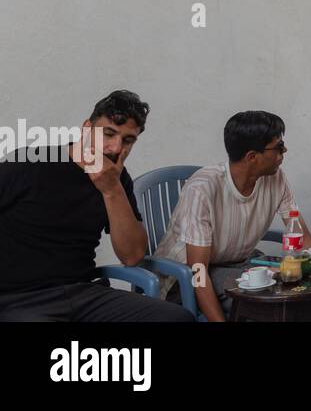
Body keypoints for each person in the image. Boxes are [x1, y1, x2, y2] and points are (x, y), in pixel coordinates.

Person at [0, 90, 193, 322]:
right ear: (86, 128)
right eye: (108, 133)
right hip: (21, 298)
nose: (114, 148)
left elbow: (132, 256)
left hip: (84, 292)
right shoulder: (29, 163)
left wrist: (112, 190)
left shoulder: (117, 180)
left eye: (128, 140)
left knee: (176, 318)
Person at [152, 111, 311, 321]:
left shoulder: (276, 178)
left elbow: (301, 235)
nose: (284, 151)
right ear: (252, 157)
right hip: (186, 278)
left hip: (238, 263)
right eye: (278, 147)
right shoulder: (202, 189)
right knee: (270, 301)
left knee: (302, 292)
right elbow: (198, 271)